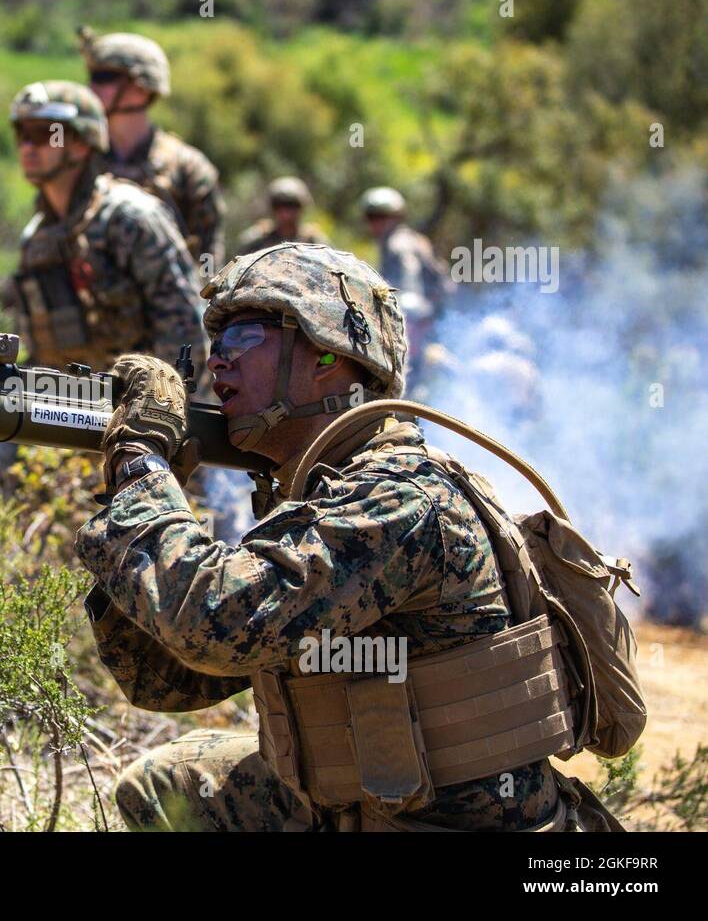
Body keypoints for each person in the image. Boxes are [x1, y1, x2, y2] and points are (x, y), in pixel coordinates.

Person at [73, 242, 621, 832]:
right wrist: (151, 498)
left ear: (331, 357)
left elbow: (214, 622)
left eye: (244, 338)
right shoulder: (322, 494)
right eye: (216, 344)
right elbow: (168, 679)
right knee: (168, 786)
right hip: (373, 806)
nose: (217, 363)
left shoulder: (400, 500)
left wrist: (141, 469)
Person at [7, 80, 206, 380]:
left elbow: (186, 331)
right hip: (68, 411)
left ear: (81, 143)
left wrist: (162, 409)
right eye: (22, 135)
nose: (27, 146)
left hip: (141, 411)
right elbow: (40, 350)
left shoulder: (131, 217)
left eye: (43, 134)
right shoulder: (37, 238)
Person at [79, 29, 225, 271]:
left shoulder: (188, 168)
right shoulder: (79, 162)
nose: (92, 86)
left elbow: (208, 267)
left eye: (105, 77)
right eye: (92, 75)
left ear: (142, 86)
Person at [359, 186, 453, 369]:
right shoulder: (410, 239)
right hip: (430, 318)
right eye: (372, 217)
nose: (377, 223)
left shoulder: (398, 244)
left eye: (383, 217)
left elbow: (409, 287)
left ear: (397, 217)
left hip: (418, 325)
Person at [235, 176, 329, 253]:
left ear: (301, 208)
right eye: (279, 205)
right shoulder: (257, 239)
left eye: (291, 205)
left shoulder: (314, 242)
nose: (285, 212)